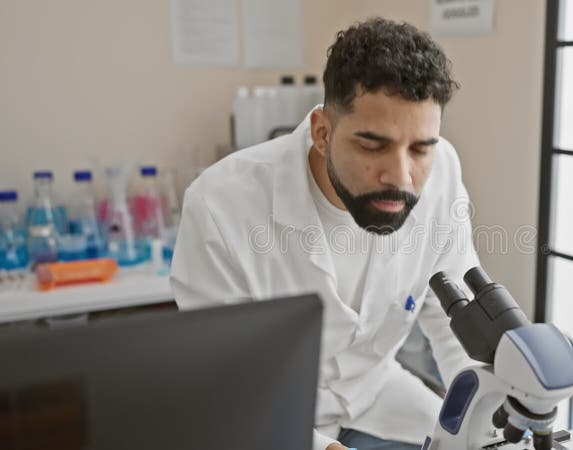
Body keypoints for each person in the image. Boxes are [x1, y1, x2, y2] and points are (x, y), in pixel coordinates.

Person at [170, 17, 480, 450]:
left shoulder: (442, 171)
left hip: (377, 395)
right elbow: (229, 384)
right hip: (264, 416)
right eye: (373, 146)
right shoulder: (220, 206)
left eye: (420, 148)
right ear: (322, 132)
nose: (401, 176)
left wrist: (486, 420)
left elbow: (457, 321)